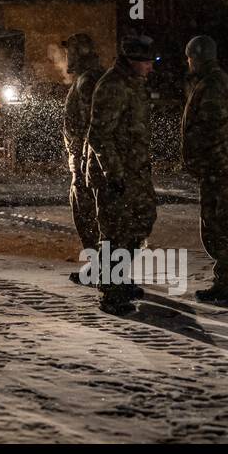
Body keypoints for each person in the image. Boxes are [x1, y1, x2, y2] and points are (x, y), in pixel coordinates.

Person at [83, 35, 158, 315]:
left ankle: (120, 279)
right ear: (133, 61)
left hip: (134, 171)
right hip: (114, 174)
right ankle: (112, 291)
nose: (151, 67)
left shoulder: (134, 84)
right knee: (116, 231)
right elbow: (99, 135)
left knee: (141, 222)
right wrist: (113, 174)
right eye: (147, 62)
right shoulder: (113, 85)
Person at [181, 35, 228, 301]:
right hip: (221, 164)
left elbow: (210, 130)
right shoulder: (214, 80)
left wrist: (202, 161)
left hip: (218, 166)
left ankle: (227, 282)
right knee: (223, 222)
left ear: (197, 57)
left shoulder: (211, 84)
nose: (188, 63)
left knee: (214, 225)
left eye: (189, 58)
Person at [61, 33, 103, 281]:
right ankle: (103, 268)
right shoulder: (90, 78)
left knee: (89, 217)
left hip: (87, 164)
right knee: (92, 216)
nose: (67, 58)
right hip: (86, 162)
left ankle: (103, 270)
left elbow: (91, 126)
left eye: (70, 53)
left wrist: (84, 161)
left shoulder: (87, 81)